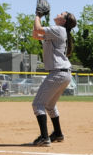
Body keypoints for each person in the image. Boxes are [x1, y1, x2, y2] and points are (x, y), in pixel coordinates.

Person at [29, 10, 77, 146]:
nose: (58, 14)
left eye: (62, 14)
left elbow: (38, 28)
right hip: (63, 73)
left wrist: (38, 15)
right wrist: (38, 18)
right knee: (50, 105)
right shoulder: (57, 32)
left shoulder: (59, 29)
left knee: (37, 104)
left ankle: (45, 138)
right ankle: (58, 133)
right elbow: (35, 34)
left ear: (64, 21)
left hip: (58, 72)